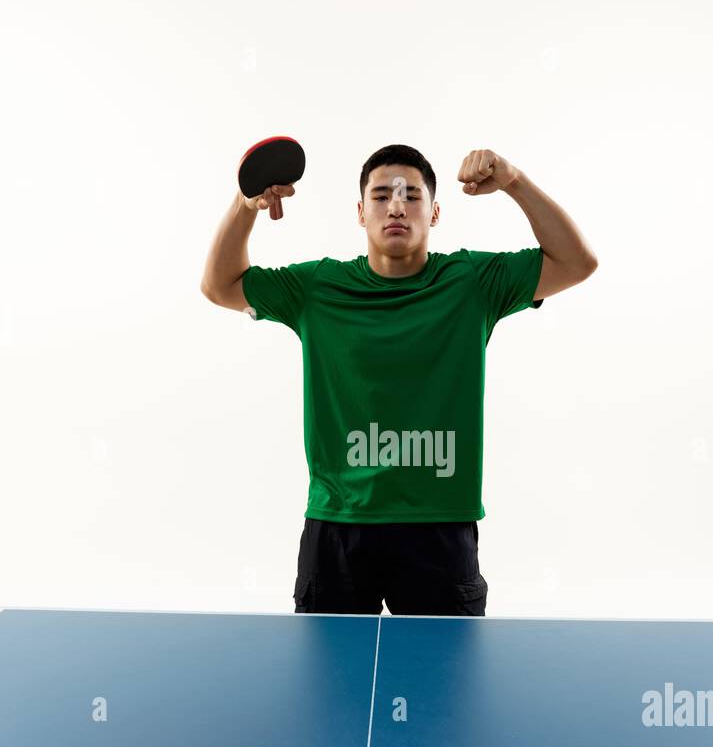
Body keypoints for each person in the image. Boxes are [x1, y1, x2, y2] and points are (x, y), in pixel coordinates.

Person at [201, 144, 597, 616]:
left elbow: (577, 262)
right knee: (331, 687)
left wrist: (513, 179)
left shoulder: (473, 282)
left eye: (411, 196)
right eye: (380, 195)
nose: (395, 206)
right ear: (360, 212)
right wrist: (246, 207)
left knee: (443, 687)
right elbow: (219, 285)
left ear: (434, 213)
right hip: (337, 526)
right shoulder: (316, 289)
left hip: (440, 529)